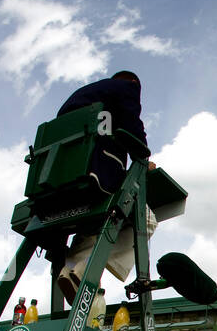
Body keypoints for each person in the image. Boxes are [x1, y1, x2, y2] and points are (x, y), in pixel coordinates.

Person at [53, 71, 159, 304]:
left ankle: (71, 271)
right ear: (133, 84)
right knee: (147, 218)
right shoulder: (125, 89)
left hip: (56, 184)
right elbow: (133, 128)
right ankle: (85, 270)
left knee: (92, 225)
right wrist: (143, 158)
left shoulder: (76, 99)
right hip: (97, 174)